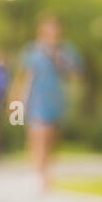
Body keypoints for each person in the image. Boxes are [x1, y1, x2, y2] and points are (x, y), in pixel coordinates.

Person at [15, 16, 83, 191]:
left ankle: (45, 171)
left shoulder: (66, 50)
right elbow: (26, 78)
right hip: (37, 100)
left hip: (57, 100)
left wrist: (58, 58)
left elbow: (75, 73)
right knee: (39, 136)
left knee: (52, 139)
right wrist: (20, 103)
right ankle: (40, 175)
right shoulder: (32, 51)